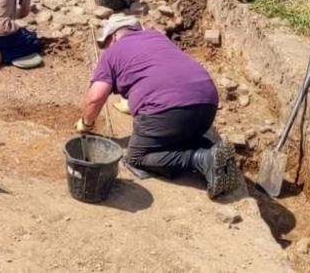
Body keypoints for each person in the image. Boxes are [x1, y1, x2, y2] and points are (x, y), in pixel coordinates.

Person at [75, 15, 238, 199]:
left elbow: (95, 98)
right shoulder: (157, 37)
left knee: (136, 157)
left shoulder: (113, 52)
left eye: (106, 44)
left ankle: (202, 159)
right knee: (175, 133)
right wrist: (134, 103)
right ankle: (213, 151)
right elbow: (161, 73)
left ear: (113, 37)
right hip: (207, 104)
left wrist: (86, 123)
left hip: (169, 112)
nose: (106, 49)